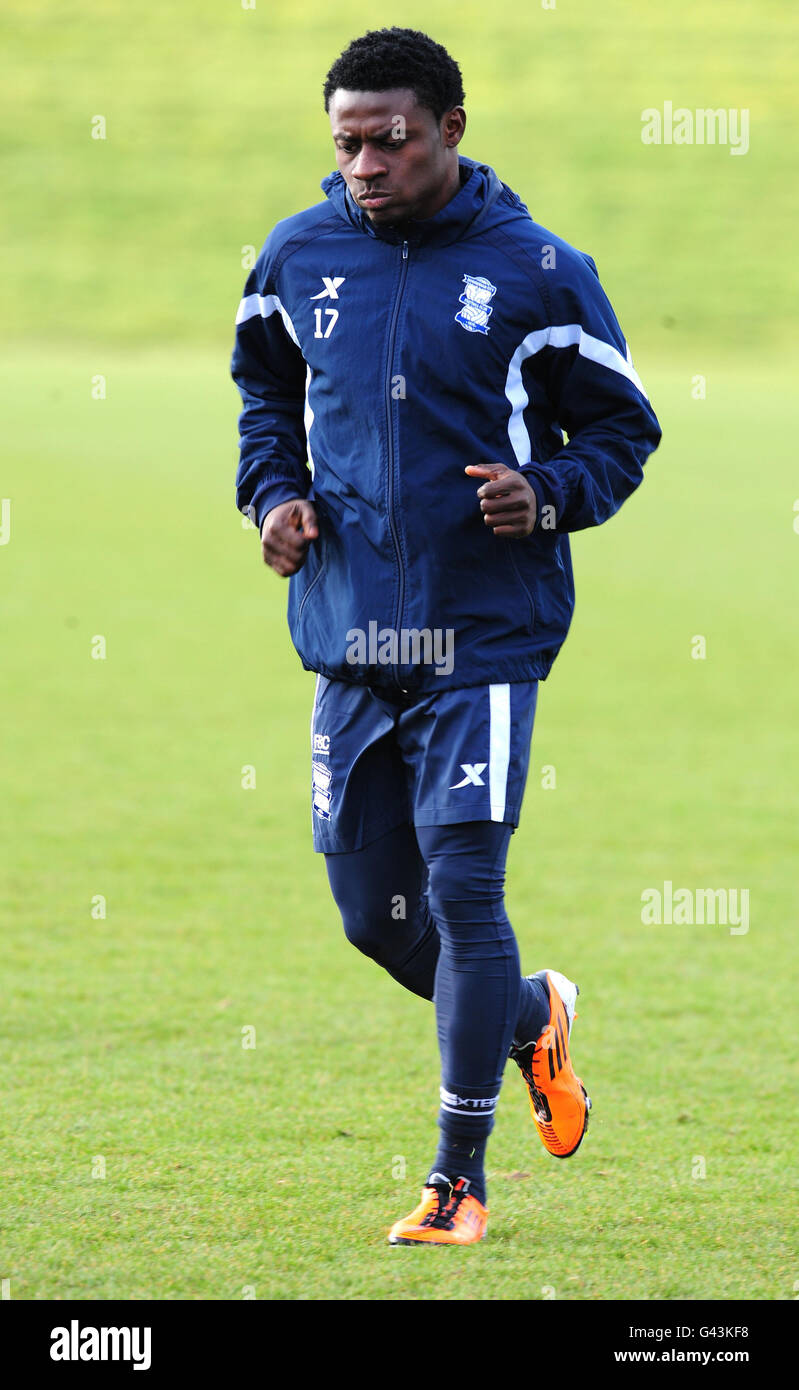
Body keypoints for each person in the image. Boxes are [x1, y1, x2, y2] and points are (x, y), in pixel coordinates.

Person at [231, 26, 661, 1246]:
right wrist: (274, 497)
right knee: (375, 916)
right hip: (353, 632)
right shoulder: (297, 253)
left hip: (482, 636)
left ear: (450, 132)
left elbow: (622, 433)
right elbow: (265, 389)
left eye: (392, 139)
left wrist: (551, 493)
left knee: (466, 893)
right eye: (347, 143)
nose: (366, 163)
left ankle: (458, 1177)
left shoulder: (538, 270)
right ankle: (532, 1015)